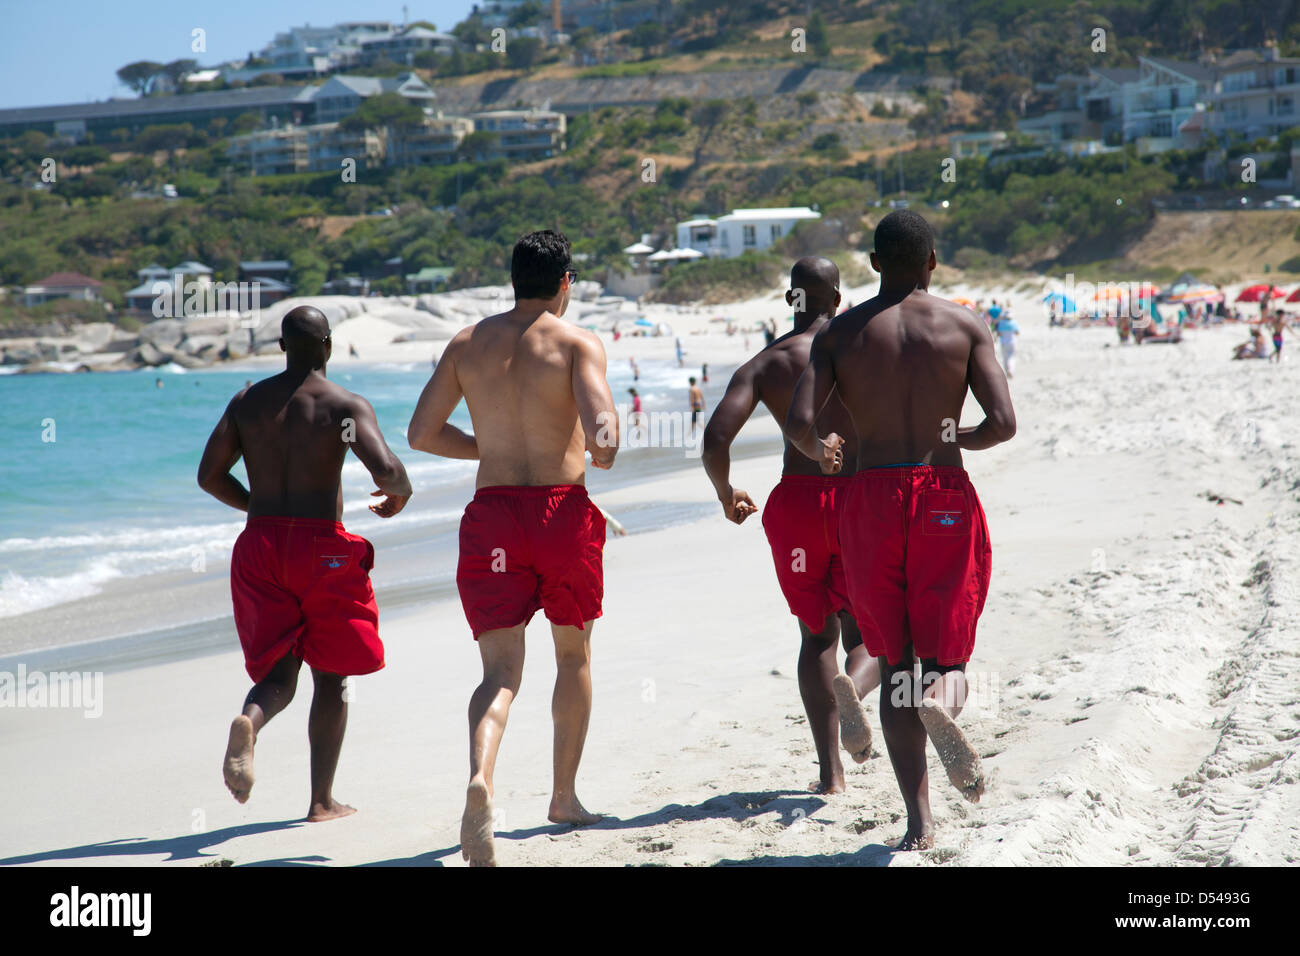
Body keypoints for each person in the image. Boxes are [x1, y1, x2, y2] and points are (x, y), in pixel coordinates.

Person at [784, 211, 1016, 850]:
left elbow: (802, 422)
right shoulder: (964, 325)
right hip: (941, 492)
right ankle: (941, 696)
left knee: (893, 661)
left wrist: (827, 450)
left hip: (869, 499)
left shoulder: (841, 333)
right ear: (933, 261)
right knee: (949, 654)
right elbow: (1003, 423)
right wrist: (953, 436)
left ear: (873, 264)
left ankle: (919, 825)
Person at [407, 230, 618, 867]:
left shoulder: (468, 343)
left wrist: (489, 448)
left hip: (493, 518)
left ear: (513, 279)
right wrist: (599, 440)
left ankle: (482, 782)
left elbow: (421, 433)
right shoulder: (577, 342)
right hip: (560, 515)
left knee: (499, 674)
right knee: (572, 652)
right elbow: (603, 434)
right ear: (565, 284)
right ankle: (563, 797)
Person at [198, 305, 412, 822]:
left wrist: (261, 509)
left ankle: (251, 719)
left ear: (281, 347)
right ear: (329, 347)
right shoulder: (344, 405)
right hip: (323, 550)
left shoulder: (247, 401)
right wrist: (398, 495)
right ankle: (321, 801)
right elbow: (387, 471)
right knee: (331, 678)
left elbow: (209, 476)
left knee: (279, 674)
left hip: (262, 547)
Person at [701, 257, 881, 794]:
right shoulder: (861, 346)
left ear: (790, 300)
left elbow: (713, 440)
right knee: (872, 628)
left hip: (797, 507)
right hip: (857, 498)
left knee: (815, 636)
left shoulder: (764, 363)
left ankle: (831, 776)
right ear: (838, 297)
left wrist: (726, 494)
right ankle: (857, 686)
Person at [992, 308, 1020, 379]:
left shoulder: (1001, 323)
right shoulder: (1014, 322)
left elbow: (998, 334)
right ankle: (1011, 370)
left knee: (1005, 358)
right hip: (1012, 341)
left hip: (1004, 342)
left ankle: (1007, 371)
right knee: (1011, 357)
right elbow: (1017, 333)